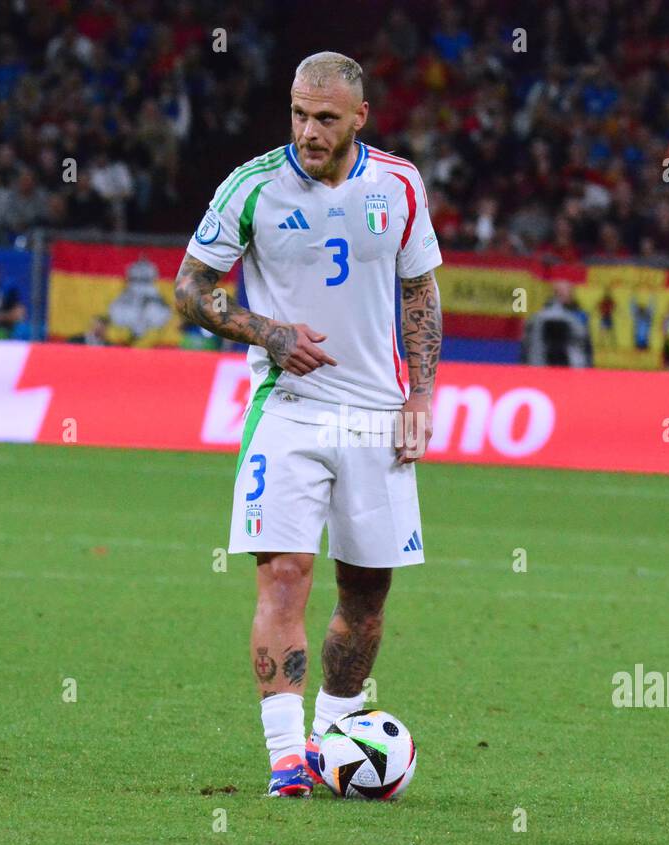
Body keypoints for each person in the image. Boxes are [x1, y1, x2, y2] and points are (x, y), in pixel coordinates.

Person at [174, 52, 443, 797]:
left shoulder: (399, 184)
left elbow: (420, 290)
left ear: (360, 117)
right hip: (287, 412)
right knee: (285, 578)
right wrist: (268, 333)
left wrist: (421, 398)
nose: (308, 130)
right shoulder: (253, 186)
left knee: (364, 595)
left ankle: (337, 729)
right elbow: (191, 287)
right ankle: (288, 759)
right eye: (298, 113)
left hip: (377, 416)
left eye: (325, 118)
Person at [522, 281, 591, 367]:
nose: (564, 294)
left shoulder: (579, 316)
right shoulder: (540, 318)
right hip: (543, 365)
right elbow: (529, 344)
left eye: (567, 291)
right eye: (559, 292)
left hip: (571, 366)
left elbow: (585, 345)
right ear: (555, 293)